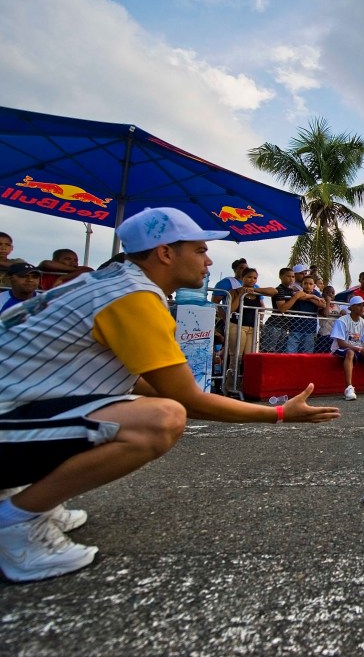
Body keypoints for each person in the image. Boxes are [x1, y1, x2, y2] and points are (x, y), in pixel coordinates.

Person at [0, 207, 339, 583]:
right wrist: (277, 415)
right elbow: (186, 400)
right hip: (9, 421)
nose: (208, 260)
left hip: (18, 412)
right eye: (199, 250)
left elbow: (143, 382)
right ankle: (15, 522)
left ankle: (31, 499)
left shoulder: (112, 283)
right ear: (165, 253)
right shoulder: (133, 297)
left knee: (144, 408)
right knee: (159, 421)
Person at [225, 268, 276, 384]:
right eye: (249, 277)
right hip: (237, 325)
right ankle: (230, 384)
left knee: (250, 358)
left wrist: (255, 290)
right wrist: (241, 294)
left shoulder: (257, 292)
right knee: (236, 357)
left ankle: (246, 384)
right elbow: (231, 309)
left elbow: (274, 291)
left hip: (252, 327)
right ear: (243, 278)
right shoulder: (235, 291)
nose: (252, 280)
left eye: (255, 278)